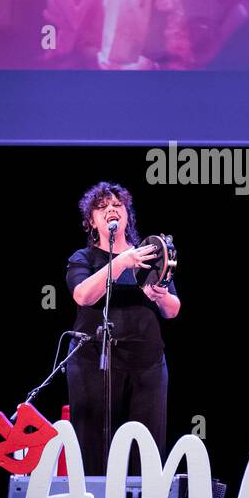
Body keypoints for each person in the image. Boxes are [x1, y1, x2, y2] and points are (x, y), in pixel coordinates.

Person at [65, 182, 179, 474]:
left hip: (146, 362)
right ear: (91, 220)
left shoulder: (150, 255)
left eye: (117, 205)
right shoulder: (84, 258)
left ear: (127, 216)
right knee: (94, 444)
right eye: (101, 207)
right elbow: (82, 295)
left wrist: (161, 294)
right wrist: (121, 262)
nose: (111, 210)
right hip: (94, 361)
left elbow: (173, 310)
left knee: (147, 445)